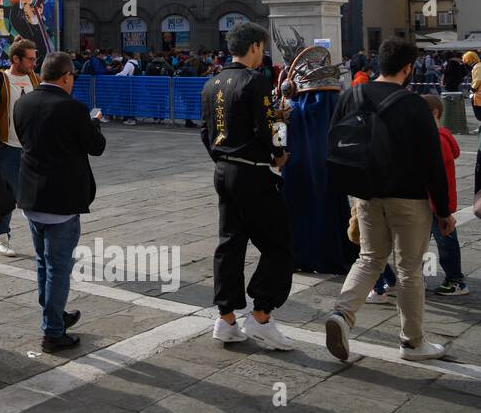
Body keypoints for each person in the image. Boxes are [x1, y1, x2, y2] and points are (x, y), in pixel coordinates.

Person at [325, 38, 455, 362]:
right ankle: (412, 342)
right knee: (409, 269)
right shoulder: (414, 106)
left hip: (366, 195)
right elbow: (432, 163)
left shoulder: (351, 95)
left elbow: (334, 140)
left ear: (378, 63)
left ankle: (342, 314)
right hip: (408, 199)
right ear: (409, 68)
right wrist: (444, 210)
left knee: (369, 258)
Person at [199, 21, 296, 350]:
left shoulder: (211, 83)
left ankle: (226, 318)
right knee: (279, 243)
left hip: (224, 171)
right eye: (262, 48)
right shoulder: (256, 82)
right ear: (255, 46)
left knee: (230, 243)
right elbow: (269, 127)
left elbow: (205, 132)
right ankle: (261, 314)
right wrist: (279, 152)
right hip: (252, 173)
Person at [14, 51, 106, 350]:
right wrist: (94, 123)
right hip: (61, 201)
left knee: (44, 263)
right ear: (66, 76)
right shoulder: (73, 108)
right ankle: (53, 330)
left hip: (31, 197)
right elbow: (97, 147)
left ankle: (53, 314)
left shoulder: (23, 103)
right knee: (59, 267)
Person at [367, 94, 468, 301]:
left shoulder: (437, 140)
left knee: (444, 242)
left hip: (436, 203)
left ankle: (456, 280)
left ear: (433, 113)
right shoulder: (438, 137)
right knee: (422, 244)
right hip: (435, 201)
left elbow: (431, 173)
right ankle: (423, 277)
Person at [0, 37, 38, 257]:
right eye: (30, 59)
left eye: (35, 58)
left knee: (33, 195)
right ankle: (1, 236)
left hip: (32, 148)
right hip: (7, 147)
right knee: (8, 196)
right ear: (16, 59)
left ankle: (40, 238)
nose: (34, 62)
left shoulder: (36, 79)